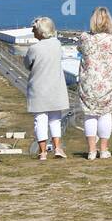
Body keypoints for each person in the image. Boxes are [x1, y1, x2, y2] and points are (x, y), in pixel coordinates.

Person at [77, 6, 112, 160]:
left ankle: (92, 150)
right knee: (105, 114)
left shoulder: (84, 37)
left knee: (90, 115)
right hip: (108, 82)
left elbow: (80, 50)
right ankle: (104, 150)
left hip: (89, 82)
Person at [23, 16, 69, 160]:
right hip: (56, 86)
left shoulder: (34, 48)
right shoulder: (57, 44)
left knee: (40, 120)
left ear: (40, 31)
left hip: (38, 88)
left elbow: (27, 64)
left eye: (34, 29)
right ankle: (58, 148)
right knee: (55, 119)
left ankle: (42, 152)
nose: (32, 31)